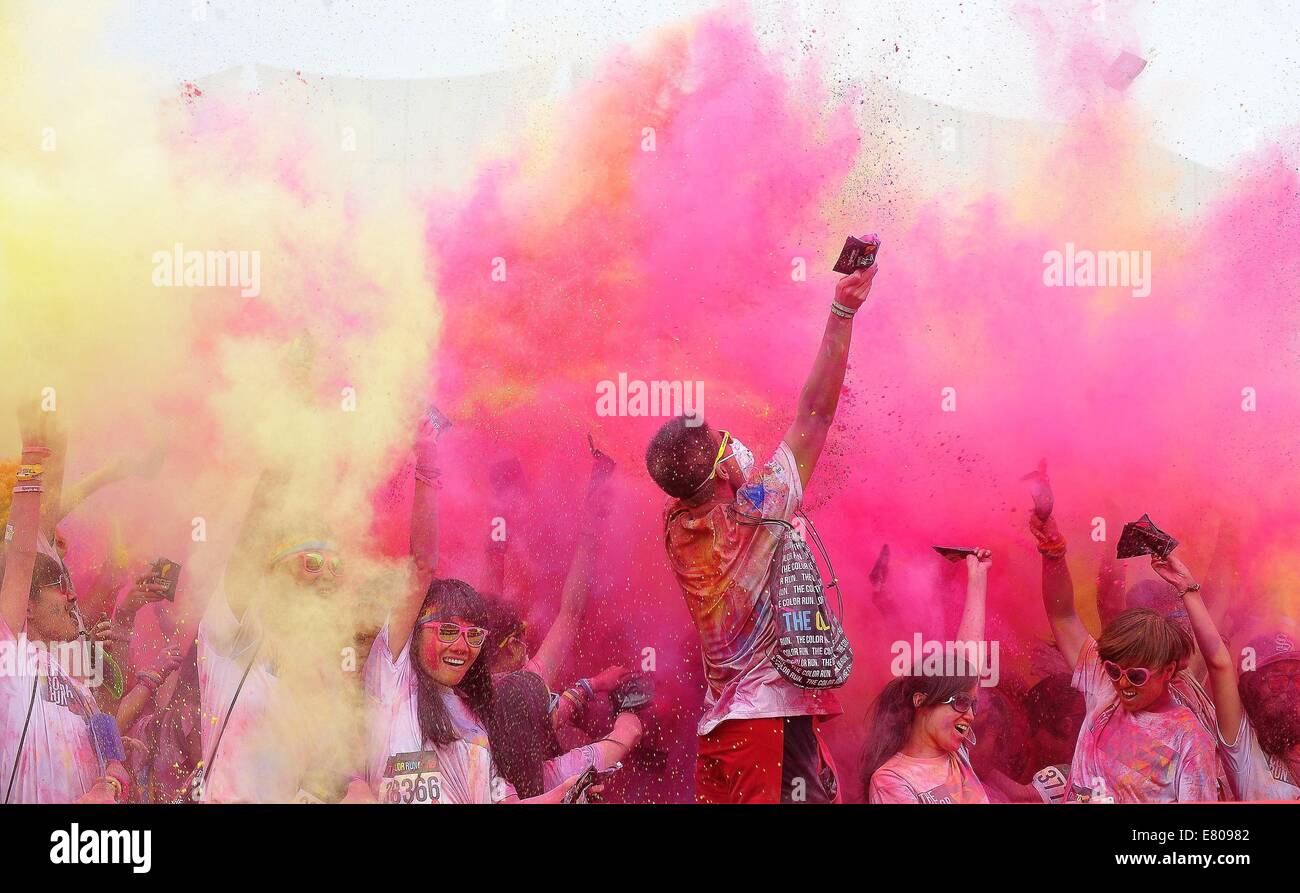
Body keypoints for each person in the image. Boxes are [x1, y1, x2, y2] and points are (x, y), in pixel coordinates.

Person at [646, 259, 878, 803]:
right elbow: (816, 415)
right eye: (726, 438)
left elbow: (689, 472)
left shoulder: (677, 527)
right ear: (723, 468)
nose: (734, 441)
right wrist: (843, 310)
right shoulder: (760, 508)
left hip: (726, 727)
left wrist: (729, 467)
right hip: (766, 729)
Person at [1031, 511, 1219, 802]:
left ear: (1168, 671)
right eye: (1115, 670)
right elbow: (1063, 617)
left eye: (1136, 676)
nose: (1122, 682)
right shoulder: (1106, 679)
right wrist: (1053, 551)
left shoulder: (1190, 741)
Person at [0, 405, 126, 803]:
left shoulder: (79, 684)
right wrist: (34, 457)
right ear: (26, 606)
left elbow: (108, 732)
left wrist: (114, 778)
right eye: (57, 585)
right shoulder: (10, 656)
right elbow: (22, 553)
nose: (72, 594)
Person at [1150, 552, 1300, 800]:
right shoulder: (1246, 751)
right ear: (1253, 691)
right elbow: (1218, 662)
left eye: (1296, 678)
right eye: (1275, 680)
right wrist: (1188, 589)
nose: (1287, 688)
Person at [862, 549, 991, 803]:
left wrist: (978, 577)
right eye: (962, 702)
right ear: (921, 701)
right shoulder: (891, 780)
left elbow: (967, 663)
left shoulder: (957, 755)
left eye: (973, 704)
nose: (972, 714)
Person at [490, 668, 644, 799]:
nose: (557, 702)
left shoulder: (487, 765)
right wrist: (628, 703)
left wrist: (591, 684)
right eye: (551, 699)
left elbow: (544, 716)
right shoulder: (560, 774)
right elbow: (631, 732)